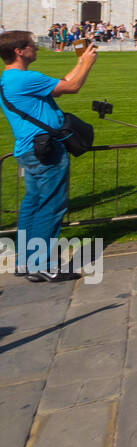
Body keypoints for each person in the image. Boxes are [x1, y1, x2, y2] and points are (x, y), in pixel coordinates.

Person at [0, 30, 98, 279]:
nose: (36, 48)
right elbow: (73, 87)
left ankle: (25, 259)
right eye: (32, 45)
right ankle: (41, 263)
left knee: (32, 204)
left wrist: (78, 62)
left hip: (28, 149)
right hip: (45, 151)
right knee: (51, 205)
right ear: (19, 51)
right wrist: (87, 64)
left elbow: (59, 86)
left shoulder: (10, 79)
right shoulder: (24, 79)